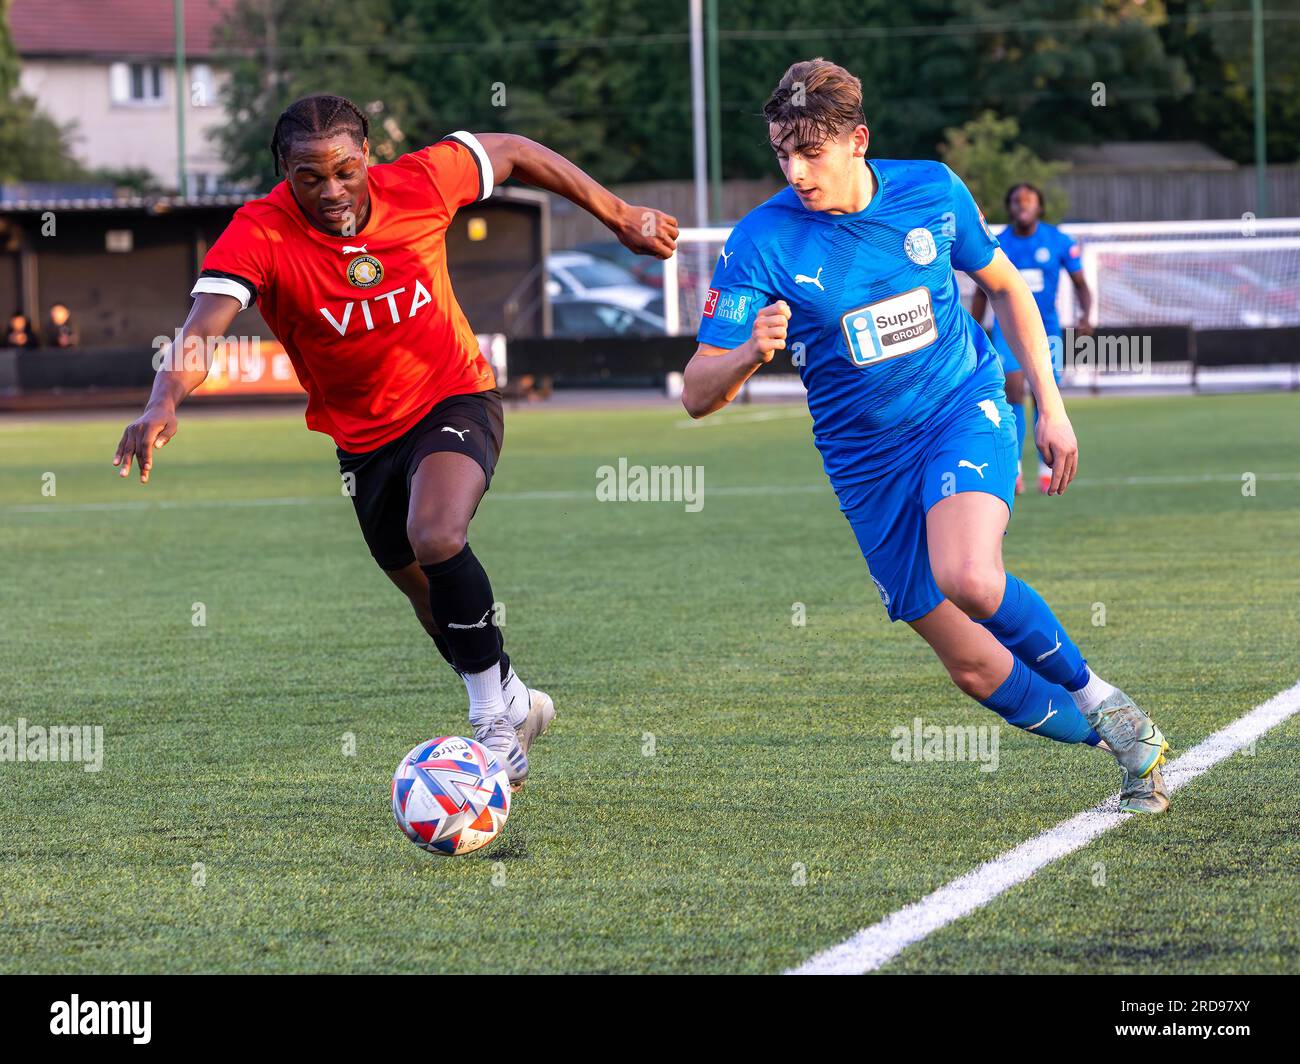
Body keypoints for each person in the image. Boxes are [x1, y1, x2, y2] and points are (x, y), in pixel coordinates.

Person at [113, 94, 677, 786]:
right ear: (282, 172)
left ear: (368, 157)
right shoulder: (259, 232)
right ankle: (516, 698)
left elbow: (518, 151)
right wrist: (161, 399)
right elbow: (202, 332)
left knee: (436, 535)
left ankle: (493, 729)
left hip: (454, 393)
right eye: (309, 177)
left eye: (346, 171)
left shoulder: (424, 180)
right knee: (424, 593)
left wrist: (619, 214)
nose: (332, 191)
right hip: (362, 441)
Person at [681, 59, 1168, 813]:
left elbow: (1005, 287)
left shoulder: (932, 192)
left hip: (958, 407)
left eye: (812, 151)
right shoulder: (762, 241)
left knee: (968, 575)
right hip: (865, 467)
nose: (797, 170)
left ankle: (1101, 695)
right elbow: (695, 392)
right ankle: (1129, 746)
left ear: (858, 141)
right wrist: (748, 353)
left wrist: (1051, 405)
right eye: (783, 152)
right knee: (975, 670)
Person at [970, 184, 1093, 494]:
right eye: (1016, 202)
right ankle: (1013, 471)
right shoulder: (997, 243)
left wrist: (1085, 317)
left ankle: (1045, 468)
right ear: (1009, 207)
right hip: (1007, 330)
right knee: (1012, 392)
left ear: (1040, 206)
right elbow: (984, 289)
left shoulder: (1057, 241)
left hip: (1046, 331)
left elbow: (1081, 284)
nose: (1022, 206)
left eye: (1028, 201)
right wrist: (974, 328)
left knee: (1043, 395)